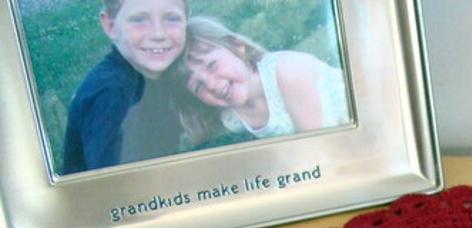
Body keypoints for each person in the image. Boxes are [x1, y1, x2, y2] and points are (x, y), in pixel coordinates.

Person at [176, 16, 349, 146]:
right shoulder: (231, 117)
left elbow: (316, 150)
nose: (211, 85)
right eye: (198, 86)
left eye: (211, 65)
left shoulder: (288, 72)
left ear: (237, 46)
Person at [60, 0, 188, 175]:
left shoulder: (156, 71)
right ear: (111, 26)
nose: (158, 34)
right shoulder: (112, 94)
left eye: (171, 18)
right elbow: (116, 187)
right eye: (139, 19)